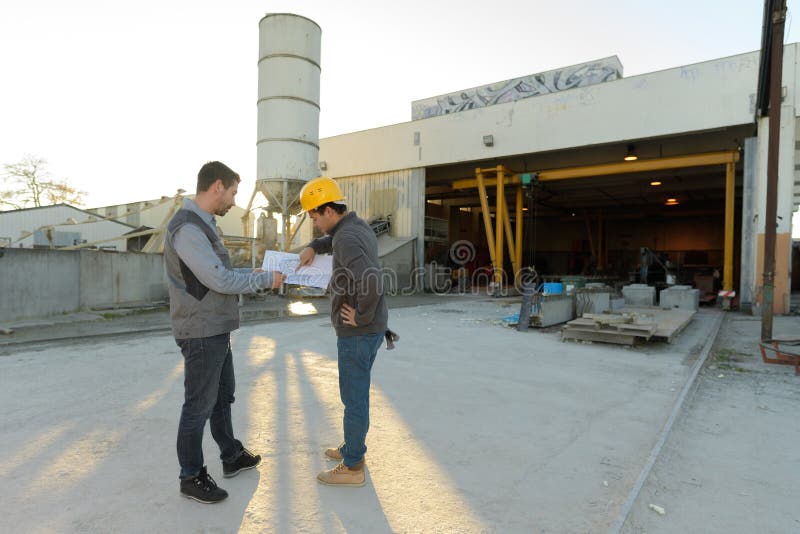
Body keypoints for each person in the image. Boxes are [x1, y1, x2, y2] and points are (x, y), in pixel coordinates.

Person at [164, 161, 284, 503]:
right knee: (198, 405)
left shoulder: (204, 224)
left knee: (222, 396)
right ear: (217, 186)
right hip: (200, 330)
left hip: (214, 326)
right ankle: (191, 476)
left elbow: (220, 271)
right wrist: (262, 278)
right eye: (232, 192)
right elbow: (216, 279)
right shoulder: (187, 228)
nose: (233, 200)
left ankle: (230, 454)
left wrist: (254, 271)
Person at [297, 176, 388, 487]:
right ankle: (352, 448)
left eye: (314, 216)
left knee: (354, 397)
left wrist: (360, 317)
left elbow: (372, 281)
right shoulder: (354, 226)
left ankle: (353, 467)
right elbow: (332, 240)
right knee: (356, 394)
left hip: (359, 333)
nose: (314, 222)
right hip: (371, 329)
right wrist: (313, 246)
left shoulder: (346, 238)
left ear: (328, 210)